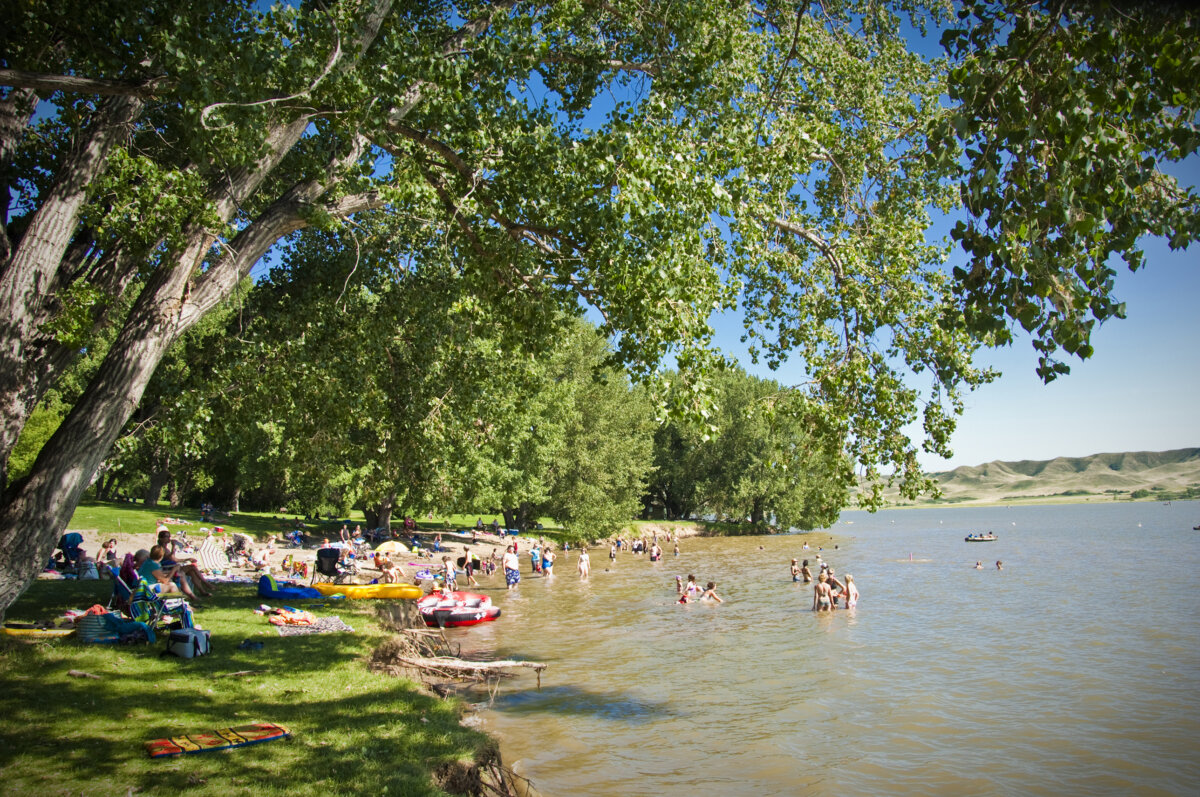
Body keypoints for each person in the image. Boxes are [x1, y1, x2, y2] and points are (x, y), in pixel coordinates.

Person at [157, 529, 216, 596]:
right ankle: (206, 584)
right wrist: (173, 546)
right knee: (192, 567)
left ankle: (202, 591)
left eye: (169, 537)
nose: (169, 539)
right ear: (161, 538)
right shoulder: (160, 549)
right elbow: (171, 557)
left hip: (174, 567)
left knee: (192, 572)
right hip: (170, 569)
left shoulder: (165, 548)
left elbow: (175, 559)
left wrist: (188, 559)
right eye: (167, 537)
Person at [136, 546, 201, 602]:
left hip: (144, 586)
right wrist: (174, 569)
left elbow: (158, 575)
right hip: (148, 589)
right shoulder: (153, 565)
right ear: (161, 556)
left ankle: (183, 603)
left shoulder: (149, 562)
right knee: (172, 585)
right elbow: (165, 580)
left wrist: (171, 573)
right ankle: (181, 605)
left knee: (173, 580)